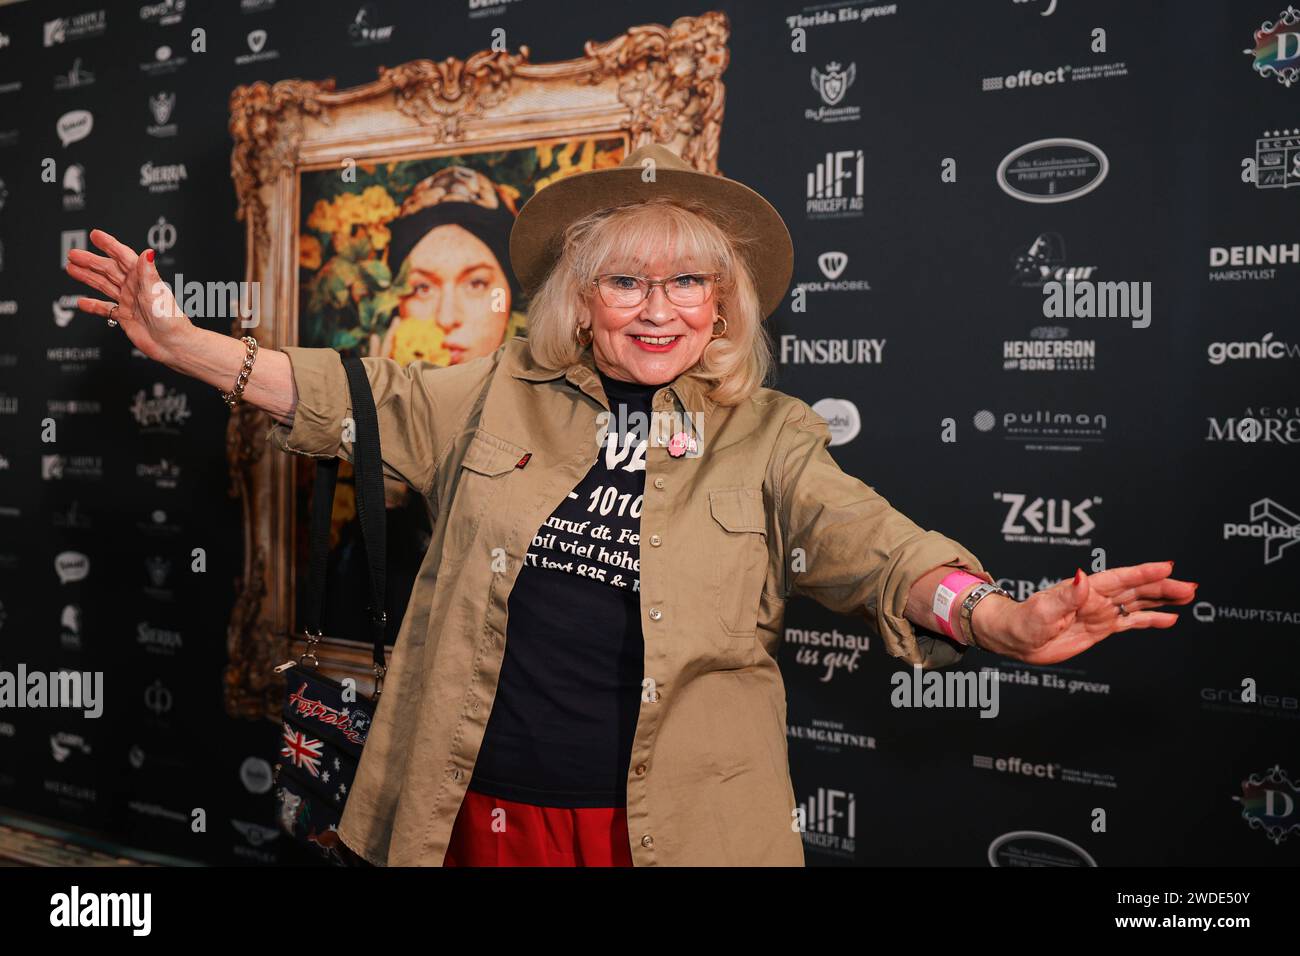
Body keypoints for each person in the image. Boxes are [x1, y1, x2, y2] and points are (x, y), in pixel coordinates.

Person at [65, 143, 1198, 867]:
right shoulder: (491, 391)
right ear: (582, 298)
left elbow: (875, 547)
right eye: (626, 280)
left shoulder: (770, 435)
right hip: (484, 804)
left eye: (687, 281)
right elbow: (331, 395)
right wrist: (177, 339)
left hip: (681, 830)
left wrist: (994, 616)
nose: (657, 309)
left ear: (722, 306)